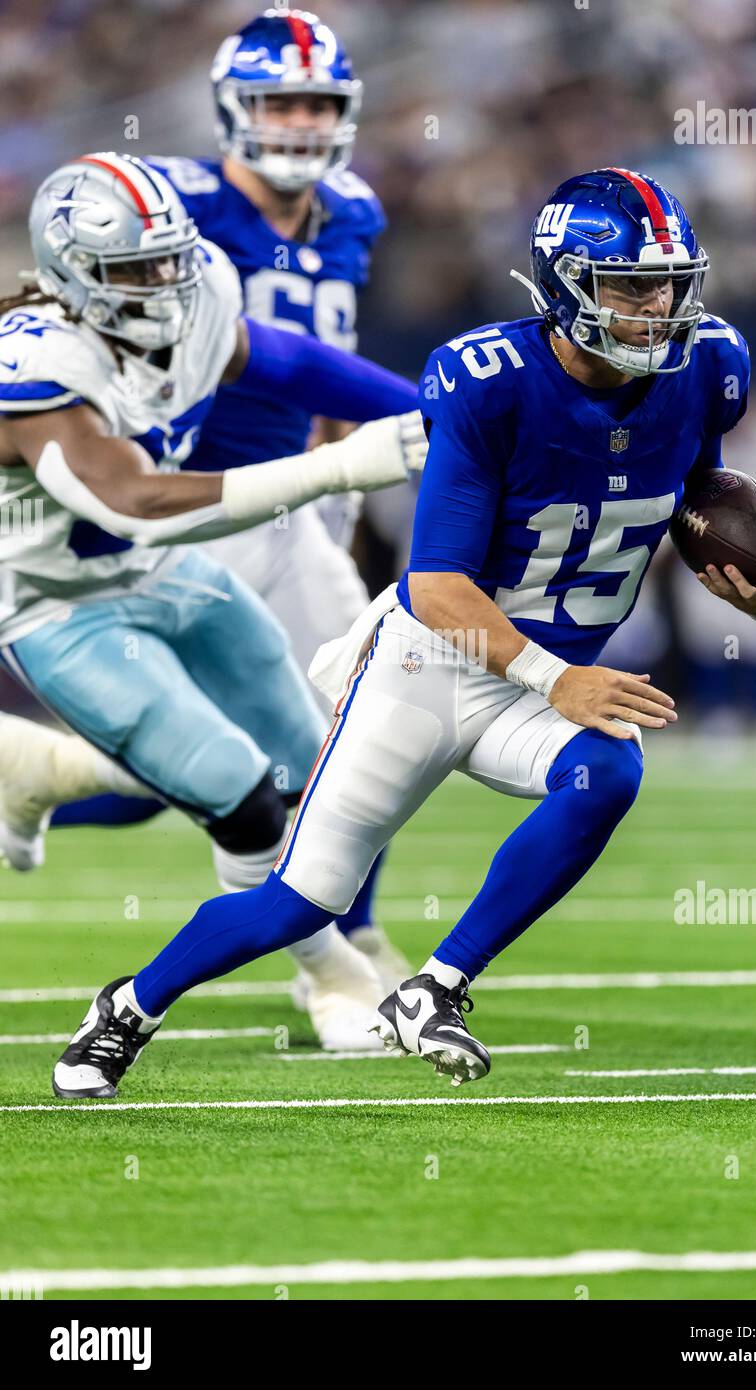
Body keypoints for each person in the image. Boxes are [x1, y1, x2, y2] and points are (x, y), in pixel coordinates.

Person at [51, 167, 756, 1099]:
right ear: (565, 285)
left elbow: (696, 498)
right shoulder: (489, 381)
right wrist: (557, 679)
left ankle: (433, 988)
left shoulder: (710, 368)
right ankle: (128, 1007)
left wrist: (752, 586)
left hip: (536, 680)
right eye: (628, 287)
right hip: (430, 664)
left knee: (609, 769)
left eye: (669, 284)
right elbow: (435, 584)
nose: (657, 308)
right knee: (298, 900)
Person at [0, 151, 425, 1050]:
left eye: (170, 258)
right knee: (237, 793)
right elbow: (132, 502)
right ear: (73, 273)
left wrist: (444, 407)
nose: (163, 283)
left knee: (316, 767)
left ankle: (40, 771)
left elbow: (288, 361)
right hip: (57, 602)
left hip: (164, 576)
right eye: (135, 268)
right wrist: (342, 465)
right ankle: (335, 979)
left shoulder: (199, 299)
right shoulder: (37, 363)